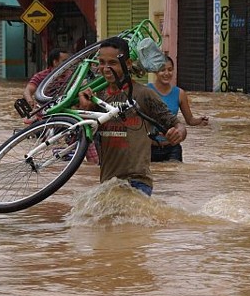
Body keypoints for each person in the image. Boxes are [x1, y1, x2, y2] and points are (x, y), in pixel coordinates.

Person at [77, 36, 186, 196]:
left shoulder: (144, 94)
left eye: (112, 63)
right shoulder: (97, 96)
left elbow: (178, 125)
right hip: (107, 181)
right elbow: (83, 133)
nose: (106, 68)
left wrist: (178, 133)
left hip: (137, 181)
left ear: (127, 64)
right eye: (101, 62)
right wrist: (84, 107)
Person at [147, 55, 209, 162]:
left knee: (174, 175)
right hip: (149, 147)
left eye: (170, 70)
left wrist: (200, 120)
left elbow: (189, 120)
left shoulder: (180, 93)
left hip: (172, 147)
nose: (167, 73)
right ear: (155, 72)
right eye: (162, 70)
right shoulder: (146, 91)